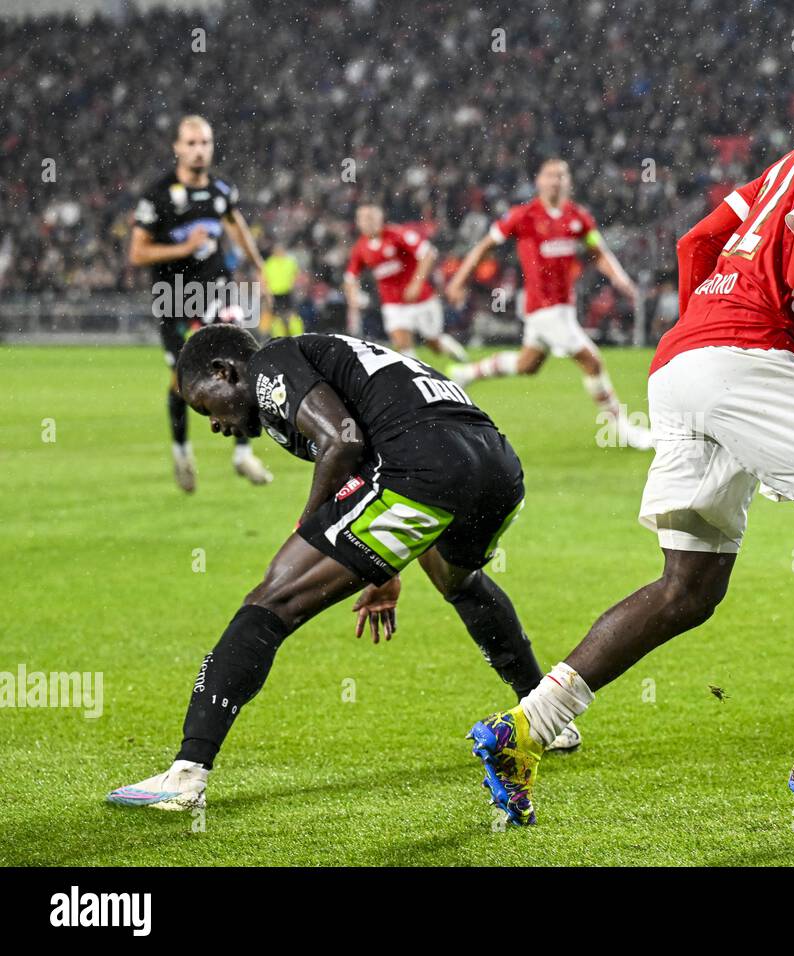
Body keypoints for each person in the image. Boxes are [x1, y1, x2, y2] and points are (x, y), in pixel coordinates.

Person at [467, 41, 794, 827]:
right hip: (746, 360)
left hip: (686, 365)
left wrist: (701, 330)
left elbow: (695, 244)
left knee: (688, 590)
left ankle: (526, 727)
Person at [107, 326, 578, 812]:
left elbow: (343, 439)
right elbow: (372, 444)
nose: (213, 424)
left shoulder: (270, 363)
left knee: (272, 600)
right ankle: (545, 718)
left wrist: (308, 528)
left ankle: (186, 773)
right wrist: (380, 566)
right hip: (494, 466)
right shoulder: (333, 354)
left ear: (224, 372)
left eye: (206, 407)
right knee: (458, 580)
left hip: (422, 465)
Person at [445, 158, 651, 450]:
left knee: (526, 364)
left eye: (562, 176)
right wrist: (458, 280)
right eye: (550, 175)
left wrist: (620, 278)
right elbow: (485, 246)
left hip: (559, 309)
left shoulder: (578, 218)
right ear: (539, 181)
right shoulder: (522, 215)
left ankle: (466, 373)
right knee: (592, 362)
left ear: (569, 182)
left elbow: (599, 251)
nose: (556, 180)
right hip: (545, 310)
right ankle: (623, 429)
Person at [128, 115, 274, 492]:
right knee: (181, 381)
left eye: (205, 143)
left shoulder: (222, 190)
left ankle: (243, 453)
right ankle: (181, 451)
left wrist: (259, 268)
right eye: (191, 143)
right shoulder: (158, 195)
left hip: (218, 293)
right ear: (177, 147)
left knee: (243, 364)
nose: (198, 150)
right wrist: (185, 247)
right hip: (175, 298)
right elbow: (138, 252)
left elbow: (235, 223)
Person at [344, 203, 468, 362]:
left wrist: (416, 283)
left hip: (421, 299)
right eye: (363, 218)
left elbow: (428, 253)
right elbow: (350, 277)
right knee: (402, 345)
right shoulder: (360, 248)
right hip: (393, 304)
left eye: (371, 217)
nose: (368, 222)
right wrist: (353, 296)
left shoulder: (397, 235)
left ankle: (455, 352)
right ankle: (419, 379)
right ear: (358, 222)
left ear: (380, 218)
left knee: (433, 343)